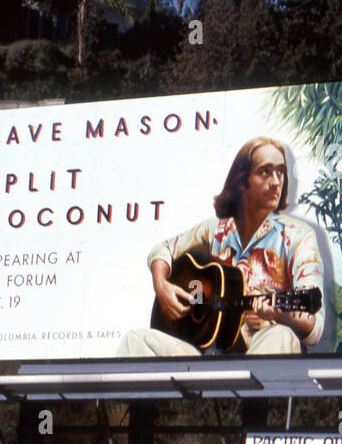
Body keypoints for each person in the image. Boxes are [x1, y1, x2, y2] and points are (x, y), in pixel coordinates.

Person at [115, 136, 324, 356]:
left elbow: (315, 326)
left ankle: (245, 389)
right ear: (242, 182)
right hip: (205, 355)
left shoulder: (298, 236)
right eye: (266, 171)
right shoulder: (215, 229)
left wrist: (281, 315)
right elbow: (163, 249)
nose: (276, 181)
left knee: (280, 335)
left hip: (260, 352)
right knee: (134, 341)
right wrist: (161, 285)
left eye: (280, 172)